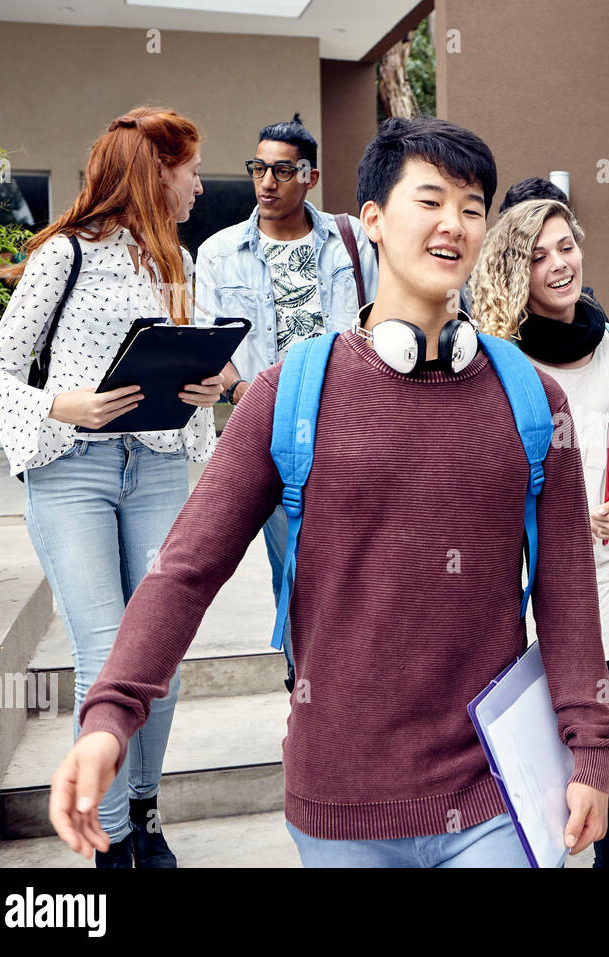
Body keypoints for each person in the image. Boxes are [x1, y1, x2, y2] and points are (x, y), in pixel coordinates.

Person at [47, 116, 609, 869]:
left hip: (494, 798)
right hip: (338, 807)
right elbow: (185, 569)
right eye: (432, 201)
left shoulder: (531, 398)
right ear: (373, 220)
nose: (455, 224)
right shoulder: (292, 393)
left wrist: (590, 750)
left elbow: (568, 592)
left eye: (473, 206)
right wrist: (109, 715)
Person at [0, 106, 221, 867]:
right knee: (109, 650)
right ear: (157, 171)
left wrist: (203, 386)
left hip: (154, 467)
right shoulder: (64, 256)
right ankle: (111, 839)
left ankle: (143, 813)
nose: (199, 187)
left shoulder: (175, 261)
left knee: (163, 656)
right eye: (190, 172)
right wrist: (62, 402)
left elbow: (188, 362)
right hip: (71, 470)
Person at [470, 198, 609, 869]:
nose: (559, 263)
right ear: (516, 270)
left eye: (565, 246)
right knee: (530, 773)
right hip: (510, 587)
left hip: (599, 575)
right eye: (538, 255)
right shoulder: (493, 359)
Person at [193, 113, 377, 686]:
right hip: (273, 435)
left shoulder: (351, 243)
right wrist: (249, 391)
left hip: (351, 428)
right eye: (258, 168)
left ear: (311, 176)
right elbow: (209, 342)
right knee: (294, 566)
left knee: (359, 566)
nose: (267, 181)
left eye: (281, 170)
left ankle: (358, 679)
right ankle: (309, 687)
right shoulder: (220, 253)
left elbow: (381, 316)